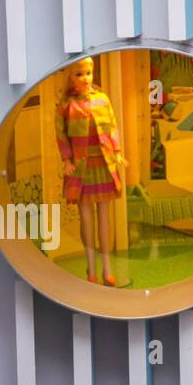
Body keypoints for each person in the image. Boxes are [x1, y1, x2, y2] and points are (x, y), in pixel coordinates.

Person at [55, 56, 127, 285]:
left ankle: (107, 269)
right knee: (86, 219)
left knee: (104, 218)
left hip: (104, 164)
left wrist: (117, 152)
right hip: (81, 167)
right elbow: (61, 135)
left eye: (88, 73)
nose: (85, 78)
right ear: (70, 77)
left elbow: (112, 127)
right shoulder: (66, 105)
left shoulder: (102, 100)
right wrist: (66, 159)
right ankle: (91, 268)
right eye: (79, 74)